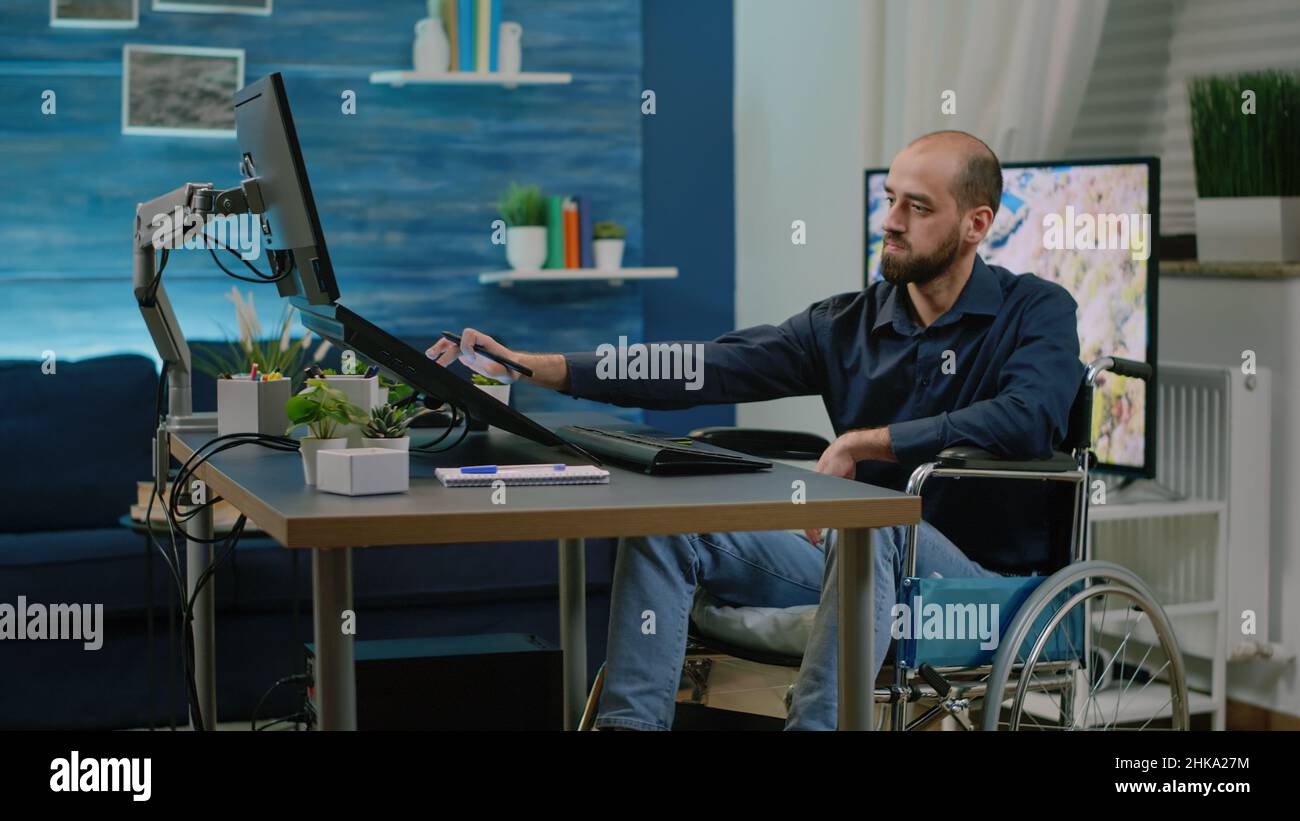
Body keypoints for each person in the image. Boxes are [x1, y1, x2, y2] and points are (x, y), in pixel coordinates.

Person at [426, 130, 1083, 730]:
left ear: (976, 225)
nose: (889, 222)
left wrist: (866, 441)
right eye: (888, 200)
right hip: (853, 563)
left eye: (917, 207)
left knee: (875, 520)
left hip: (986, 586)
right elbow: (706, 367)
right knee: (669, 525)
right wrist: (543, 367)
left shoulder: (1038, 311)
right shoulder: (846, 324)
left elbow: (1026, 419)